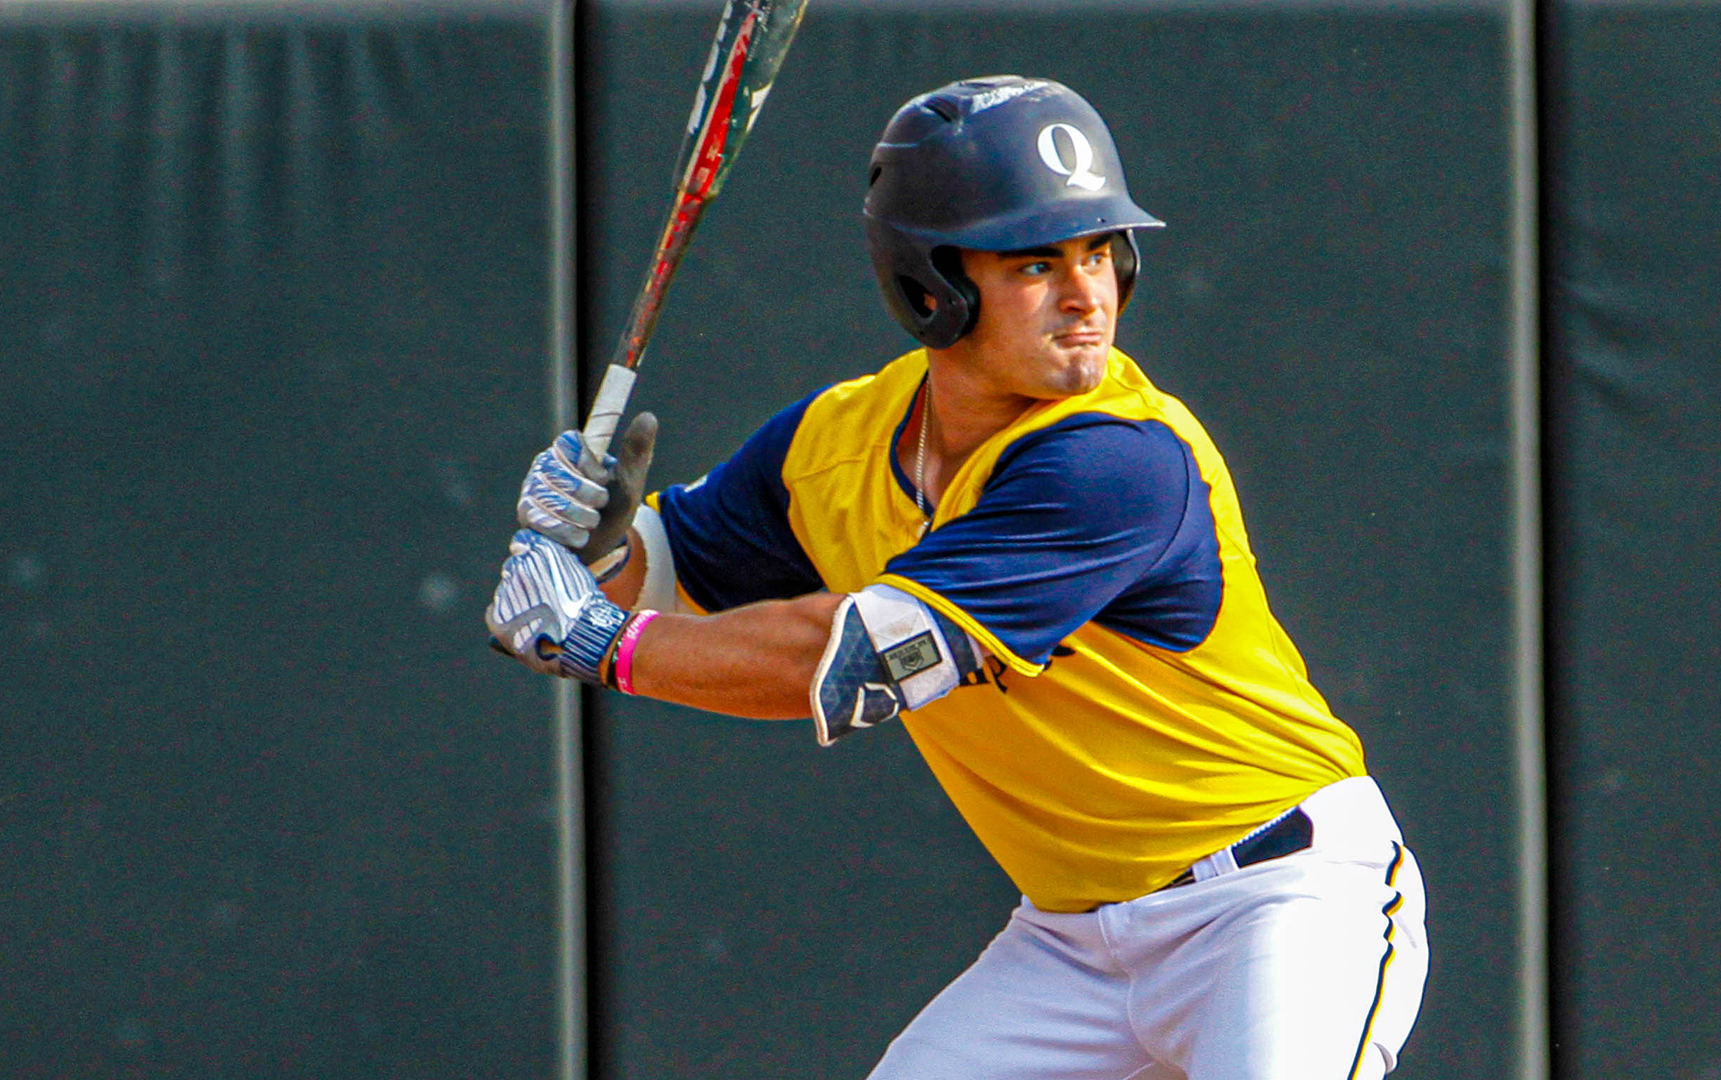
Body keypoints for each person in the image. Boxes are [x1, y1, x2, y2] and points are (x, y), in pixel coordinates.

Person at [486, 75, 1428, 1080]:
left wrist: (592, 640)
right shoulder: (837, 441)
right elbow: (666, 579)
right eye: (1036, 262)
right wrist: (598, 550)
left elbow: (855, 661)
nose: (1088, 292)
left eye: (1100, 250)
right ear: (933, 286)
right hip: (1072, 944)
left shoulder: (1117, 460)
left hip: (1275, 905)